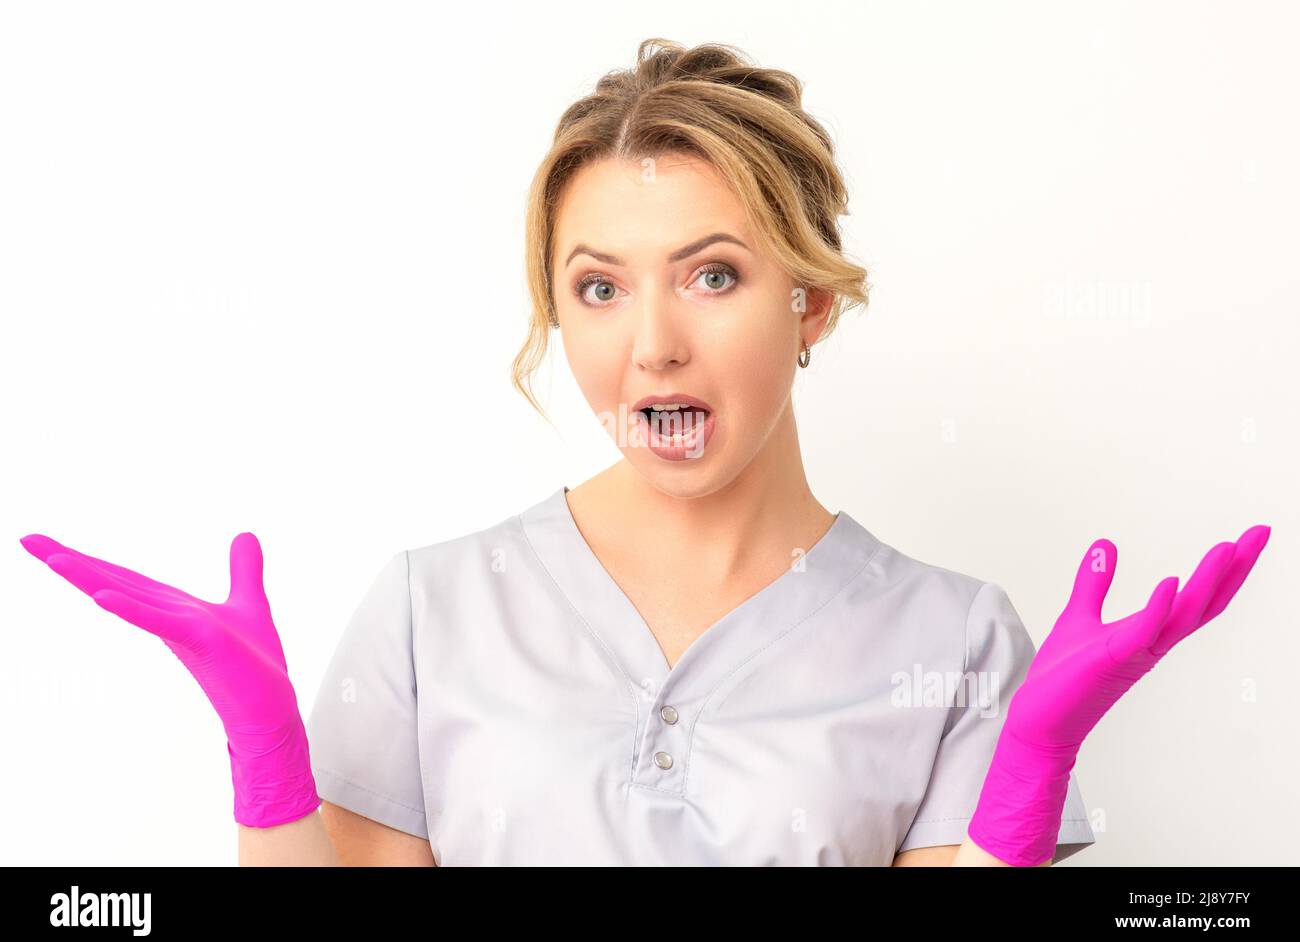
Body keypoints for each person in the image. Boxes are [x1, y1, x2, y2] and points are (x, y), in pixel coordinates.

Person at [19, 38, 1270, 867]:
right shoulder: (429, 612)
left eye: (712, 275)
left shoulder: (952, 644)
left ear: (812, 300)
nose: (653, 343)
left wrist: (1025, 778)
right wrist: (269, 773)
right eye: (599, 286)